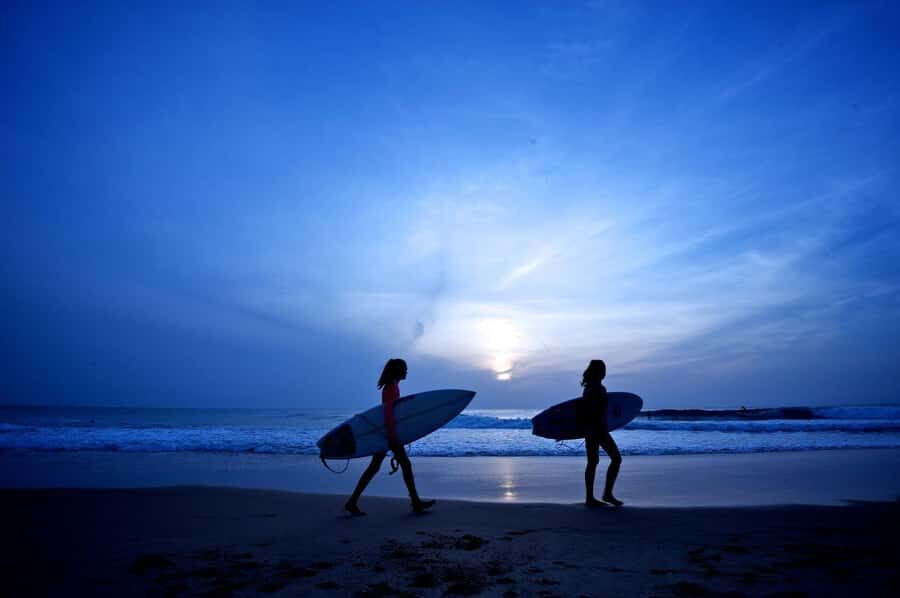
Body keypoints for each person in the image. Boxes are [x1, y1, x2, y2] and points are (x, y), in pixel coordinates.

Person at [344, 358, 435, 516]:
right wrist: (393, 437)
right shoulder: (391, 387)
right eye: (404, 369)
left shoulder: (393, 385)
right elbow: (388, 414)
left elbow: (394, 413)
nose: (407, 371)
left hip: (386, 434)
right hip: (388, 435)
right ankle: (415, 503)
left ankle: (352, 502)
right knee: (404, 464)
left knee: (374, 467)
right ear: (397, 370)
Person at [581, 359, 624, 507]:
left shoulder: (588, 388)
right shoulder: (597, 389)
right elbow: (596, 412)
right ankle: (606, 494)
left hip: (590, 429)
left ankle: (590, 498)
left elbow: (585, 412)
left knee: (593, 463)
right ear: (601, 372)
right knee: (616, 459)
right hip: (598, 429)